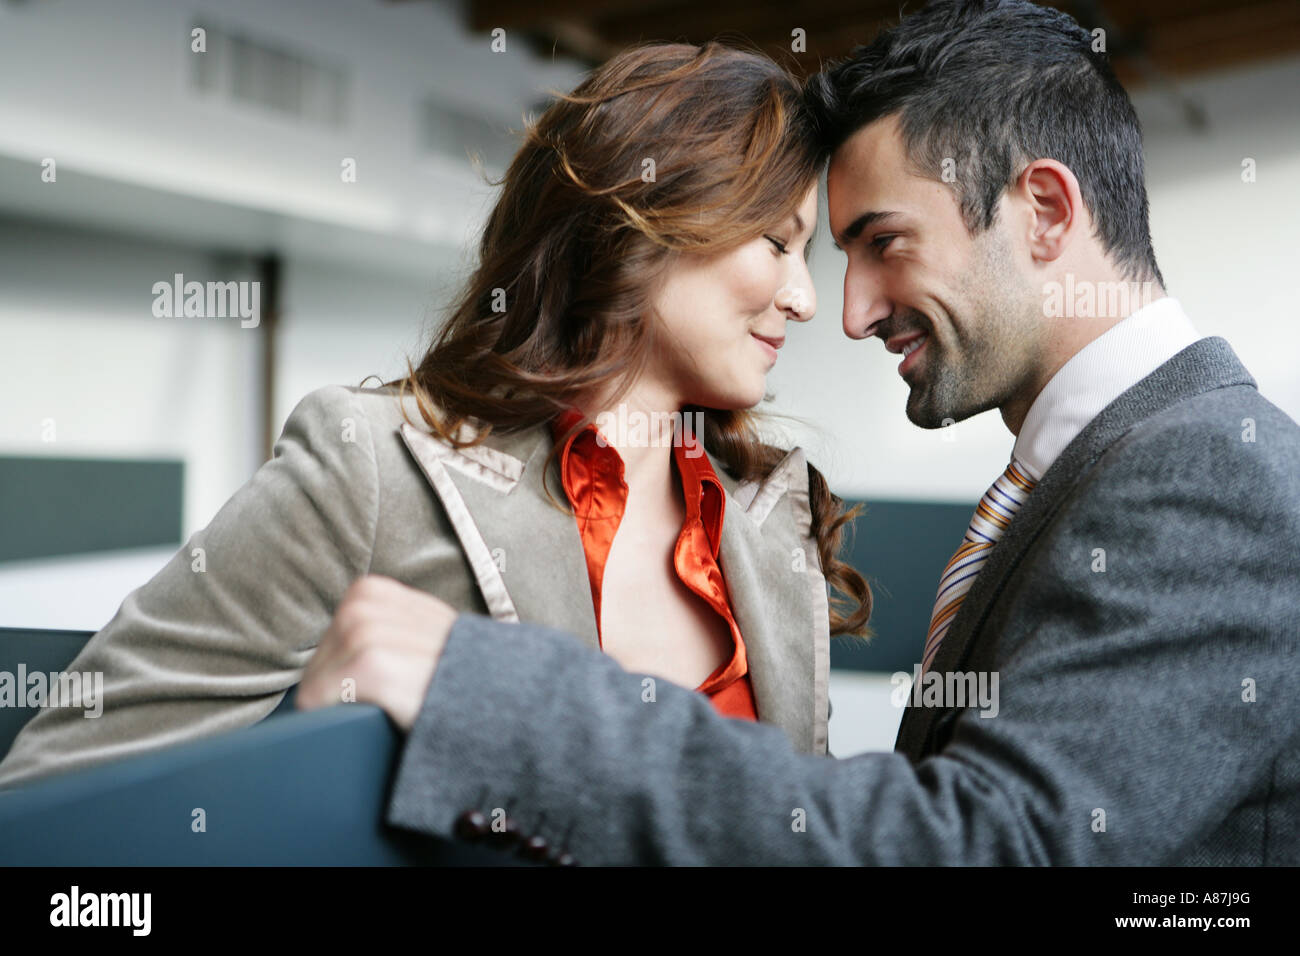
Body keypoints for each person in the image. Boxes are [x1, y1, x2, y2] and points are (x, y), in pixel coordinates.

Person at [295, 0, 1300, 865]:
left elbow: (984, 847)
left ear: (1041, 210)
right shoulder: (1108, 465)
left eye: (883, 243)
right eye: (796, 245)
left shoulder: (1210, 470)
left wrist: (514, 711)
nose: (848, 310)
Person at [0, 42, 872, 790]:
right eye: (776, 242)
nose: (804, 298)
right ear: (644, 221)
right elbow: (57, 789)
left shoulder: (769, 523)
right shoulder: (371, 469)